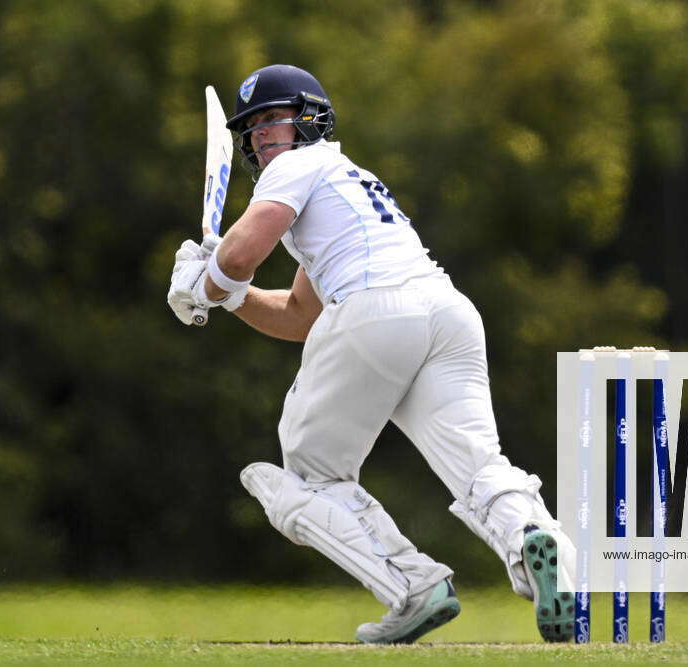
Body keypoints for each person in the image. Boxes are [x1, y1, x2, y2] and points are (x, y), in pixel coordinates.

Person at [167, 64, 576, 644]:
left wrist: (204, 284)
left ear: (310, 117)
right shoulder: (349, 179)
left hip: (375, 308)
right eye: (252, 128)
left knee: (308, 476)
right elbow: (300, 315)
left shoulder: (297, 165)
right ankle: (537, 538)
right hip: (446, 312)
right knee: (479, 464)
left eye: (271, 120)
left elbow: (239, 257)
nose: (260, 137)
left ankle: (413, 586)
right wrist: (225, 293)